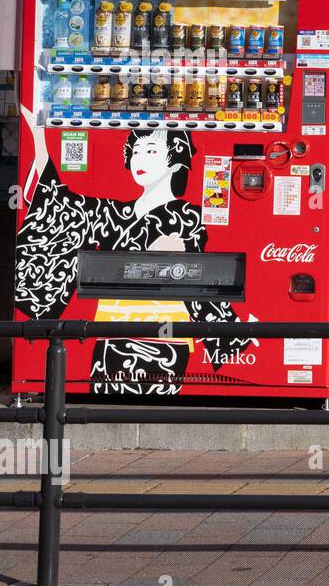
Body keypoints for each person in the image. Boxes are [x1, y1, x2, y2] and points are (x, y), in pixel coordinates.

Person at [14, 107, 256, 394]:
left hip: (166, 337)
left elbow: (201, 274)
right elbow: (63, 204)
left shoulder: (187, 216)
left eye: (152, 150)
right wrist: (40, 141)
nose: (140, 158)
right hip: (106, 332)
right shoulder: (115, 212)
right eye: (137, 150)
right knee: (103, 386)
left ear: (175, 158)